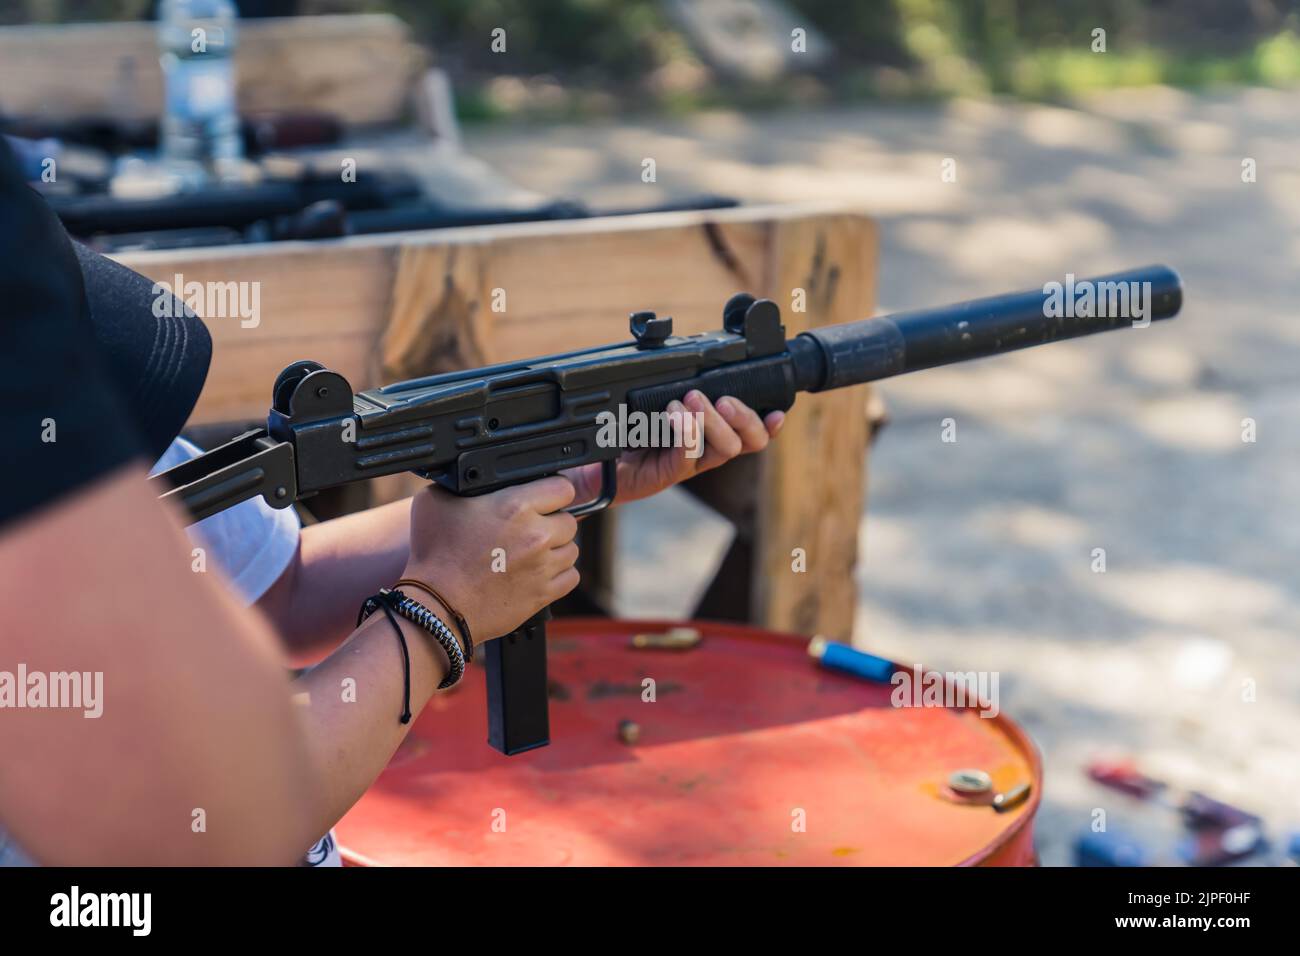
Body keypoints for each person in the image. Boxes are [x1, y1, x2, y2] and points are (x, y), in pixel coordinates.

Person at [0, 137, 783, 865]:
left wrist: (573, 482)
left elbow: (286, 583)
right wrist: (439, 609)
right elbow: (217, 819)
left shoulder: (67, 458)